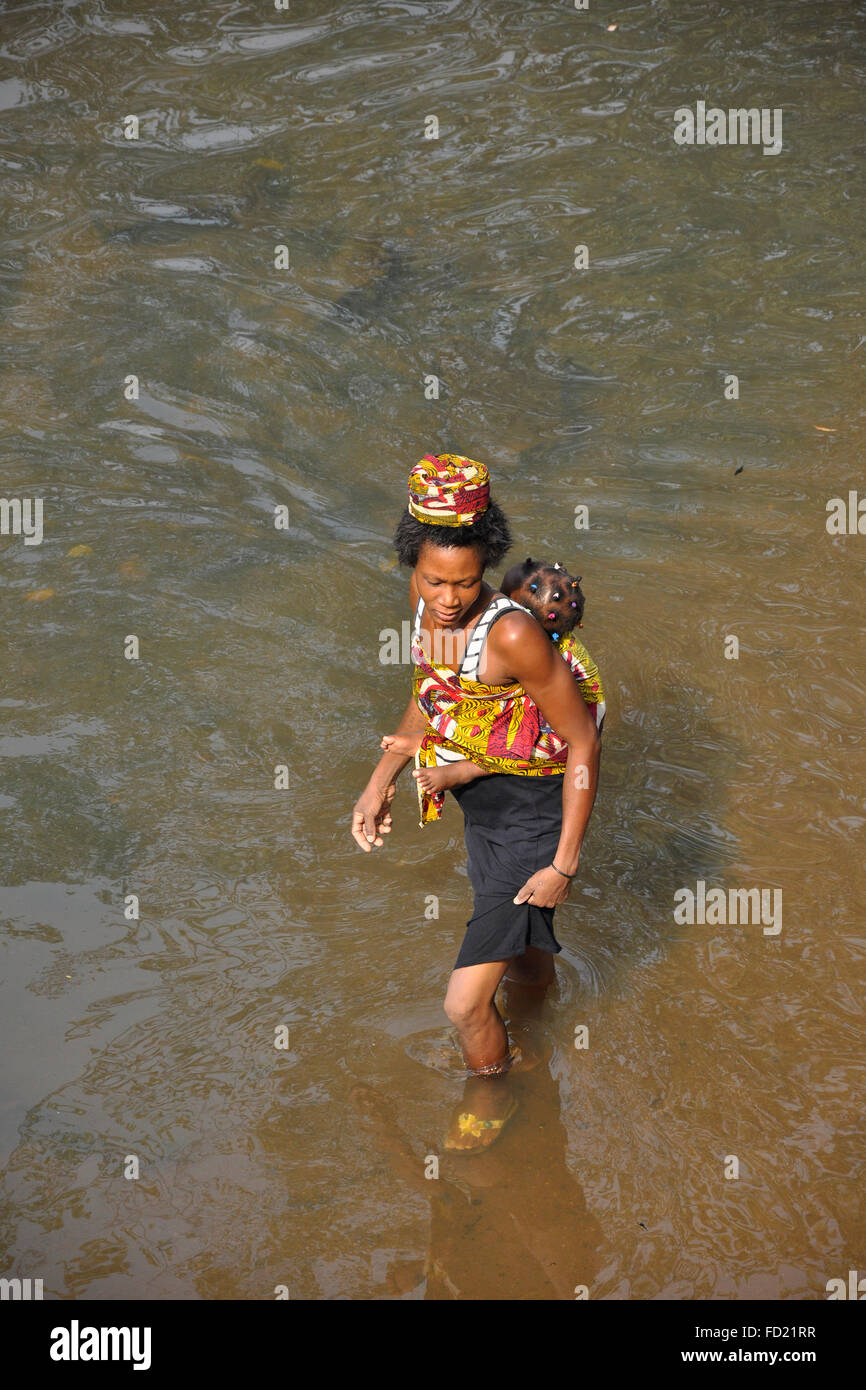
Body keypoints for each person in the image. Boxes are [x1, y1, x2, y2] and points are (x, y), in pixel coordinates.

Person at [351, 453, 601, 1149]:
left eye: (464, 582)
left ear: (487, 567)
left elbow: (581, 742)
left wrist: (564, 864)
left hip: (532, 817)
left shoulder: (512, 635)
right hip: (482, 807)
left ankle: (495, 1088)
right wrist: (381, 780)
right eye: (433, 579)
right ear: (413, 564)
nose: (448, 598)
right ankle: (541, 1039)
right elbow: (430, 696)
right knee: (522, 956)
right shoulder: (422, 602)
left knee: (463, 1004)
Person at [380, 555, 606, 814]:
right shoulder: (536, 638)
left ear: (520, 619)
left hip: (545, 740)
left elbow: (580, 739)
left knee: (511, 739)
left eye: (501, 601)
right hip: (536, 716)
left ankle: (459, 763)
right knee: (474, 708)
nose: (492, 603)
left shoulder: (525, 648)